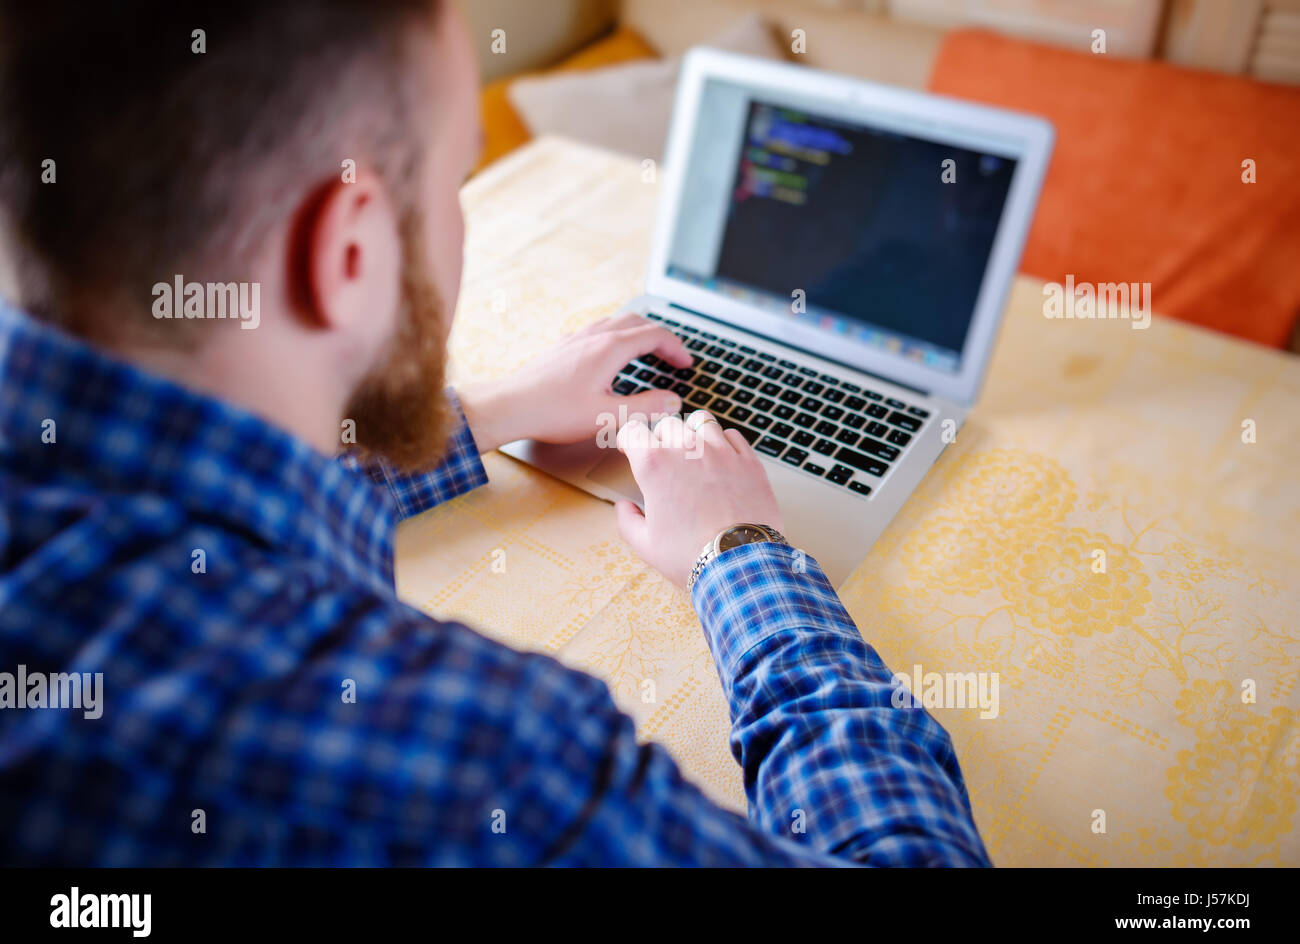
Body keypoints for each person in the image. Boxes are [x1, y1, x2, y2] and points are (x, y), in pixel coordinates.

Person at [0, 0, 990, 865]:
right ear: (349, 252)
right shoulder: (483, 764)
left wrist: (501, 410)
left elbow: (210, 470)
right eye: (455, 180)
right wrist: (743, 552)